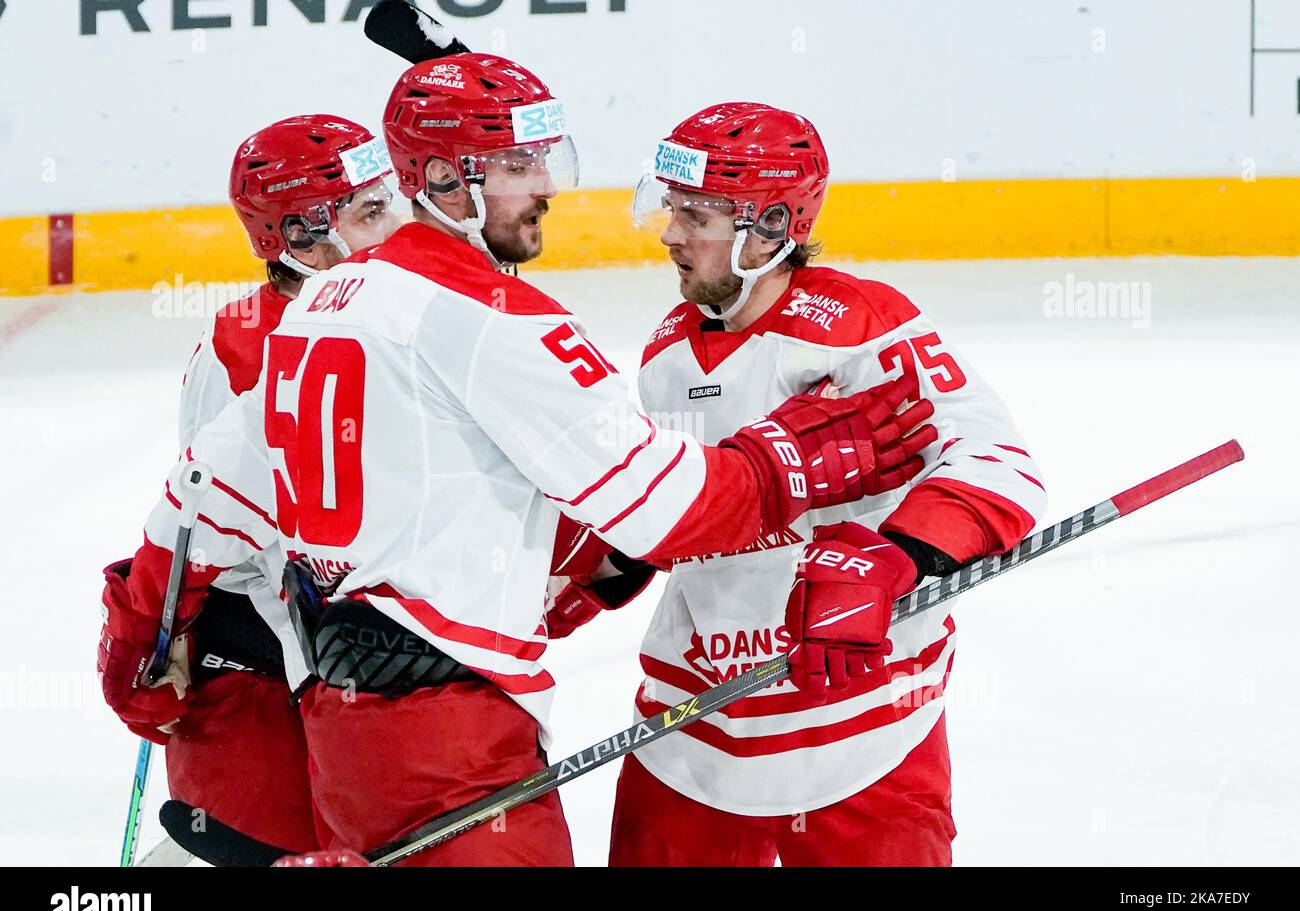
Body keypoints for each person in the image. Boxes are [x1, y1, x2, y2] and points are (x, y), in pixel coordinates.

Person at [97, 54, 938, 866]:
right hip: (448, 742)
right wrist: (783, 463)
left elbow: (202, 491)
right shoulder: (493, 319)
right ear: (442, 183)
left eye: (542, 156)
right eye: (516, 163)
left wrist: (144, 624)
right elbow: (666, 510)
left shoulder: (326, 303)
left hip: (342, 732)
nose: (546, 185)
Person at [607, 102, 1048, 866]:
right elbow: (673, 512)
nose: (672, 235)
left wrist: (895, 557)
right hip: (695, 728)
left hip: (867, 729)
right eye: (671, 209)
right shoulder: (663, 353)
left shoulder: (861, 327)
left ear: (773, 224)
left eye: (698, 215)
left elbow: (997, 462)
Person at [99, 116, 400, 855]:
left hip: (366, 654)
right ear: (297, 236)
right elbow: (203, 525)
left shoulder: (400, 309)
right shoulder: (241, 351)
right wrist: (152, 635)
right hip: (261, 661)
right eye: (370, 212)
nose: (397, 227)